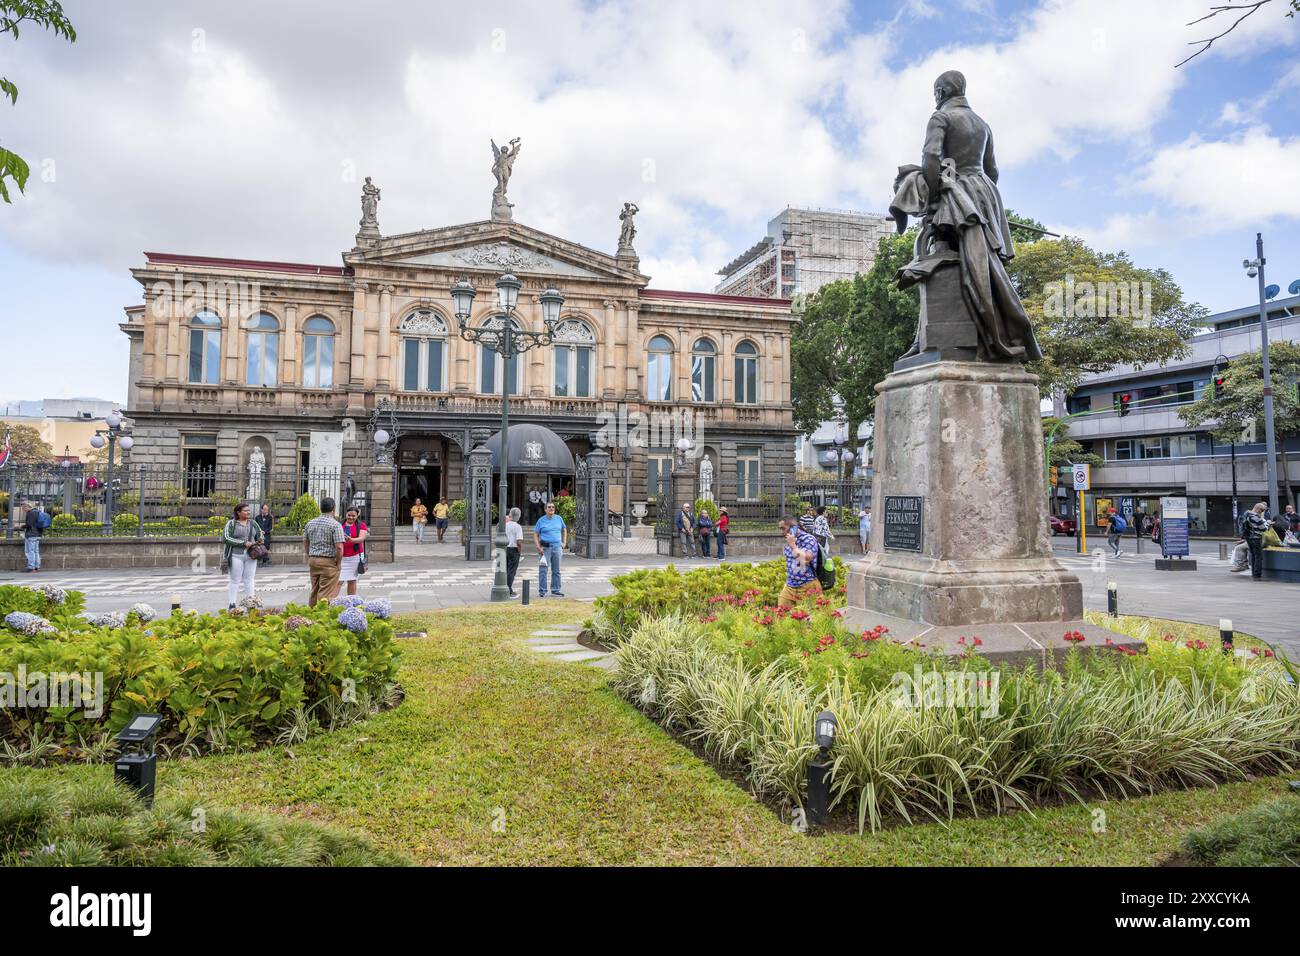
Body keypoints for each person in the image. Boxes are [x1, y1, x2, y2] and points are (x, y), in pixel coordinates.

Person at [222, 502, 264, 610]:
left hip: (251, 555)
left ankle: (251, 604)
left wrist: (260, 539)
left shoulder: (253, 523)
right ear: (238, 512)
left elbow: (260, 533)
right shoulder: (231, 524)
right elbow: (226, 538)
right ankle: (232, 604)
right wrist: (243, 543)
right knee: (235, 580)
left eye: (249, 510)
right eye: (245, 511)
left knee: (249, 579)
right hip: (236, 555)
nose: (248, 512)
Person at [303, 496, 345, 606]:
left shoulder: (310, 523)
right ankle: (321, 614)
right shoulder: (335, 525)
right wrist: (338, 563)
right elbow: (339, 547)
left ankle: (311, 612)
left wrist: (310, 555)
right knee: (326, 593)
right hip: (329, 561)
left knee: (314, 589)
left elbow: (306, 542)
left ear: (320, 508)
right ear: (334, 508)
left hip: (313, 560)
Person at [778, 515, 823, 607]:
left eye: (783, 528)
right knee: (781, 612)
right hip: (790, 586)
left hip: (808, 586)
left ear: (793, 528)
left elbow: (806, 560)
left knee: (809, 615)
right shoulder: (790, 541)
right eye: (780, 529)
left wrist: (793, 546)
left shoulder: (808, 539)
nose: (782, 532)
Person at [533, 500, 567, 597]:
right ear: (545, 510)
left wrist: (564, 542)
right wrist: (538, 546)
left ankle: (555, 589)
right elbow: (535, 534)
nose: (551, 508)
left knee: (557, 570)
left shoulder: (559, 518)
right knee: (543, 570)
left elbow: (564, 529)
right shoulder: (541, 520)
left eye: (553, 507)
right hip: (545, 548)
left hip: (557, 548)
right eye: (549, 507)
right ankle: (542, 591)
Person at [340, 506, 369, 596]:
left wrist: (350, 539)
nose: (351, 517)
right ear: (346, 514)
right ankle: (332, 600)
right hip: (341, 556)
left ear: (357, 516)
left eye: (354, 516)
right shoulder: (340, 524)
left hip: (355, 556)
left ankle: (351, 600)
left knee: (352, 580)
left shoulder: (361, 525)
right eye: (349, 515)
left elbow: (361, 538)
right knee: (338, 581)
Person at [1241, 502, 1269, 581]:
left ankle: (1254, 573)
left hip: (1248, 538)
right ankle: (1257, 575)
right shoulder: (1254, 517)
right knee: (1258, 557)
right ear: (1258, 509)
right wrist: (1267, 523)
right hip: (1256, 538)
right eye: (1262, 510)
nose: (1262, 512)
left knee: (1253, 555)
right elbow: (1264, 528)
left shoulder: (1246, 514)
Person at [22, 501, 48, 573]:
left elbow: (29, 524)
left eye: (23, 508)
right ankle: (37, 567)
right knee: (36, 551)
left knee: (30, 551)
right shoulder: (37, 512)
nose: (23, 510)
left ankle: (31, 567)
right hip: (38, 534)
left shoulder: (30, 513)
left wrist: (21, 526)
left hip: (31, 535)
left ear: (27, 507)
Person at [505, 507, 523, 596]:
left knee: (506, 569)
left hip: (505, 549)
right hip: (514, 549)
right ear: (518, 516)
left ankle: (505, 587)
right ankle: (508, 589)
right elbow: (519, 541)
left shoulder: (505, 525)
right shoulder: (517, 526)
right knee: (512, 571)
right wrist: (519, 551)